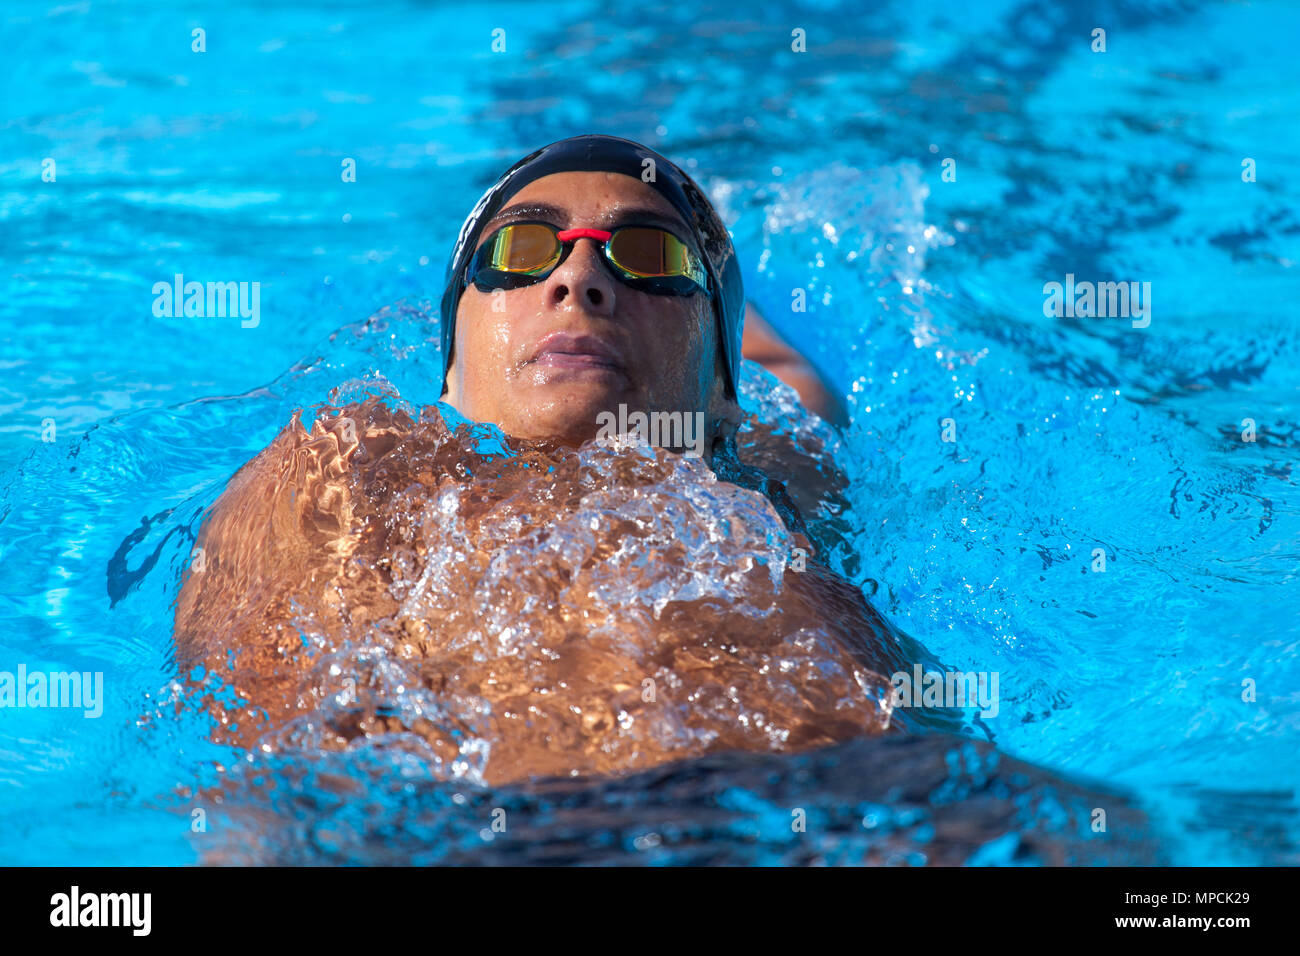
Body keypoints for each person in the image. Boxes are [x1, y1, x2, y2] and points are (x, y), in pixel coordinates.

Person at [174, 135, 946, 786]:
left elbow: (774, 368)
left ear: (719, 392)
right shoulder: (343, 468)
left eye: (647, 254)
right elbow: (264, 777)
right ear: (450, 372)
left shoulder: (772, 473)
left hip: (836, 803)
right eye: (522, 249)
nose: (579, 278)